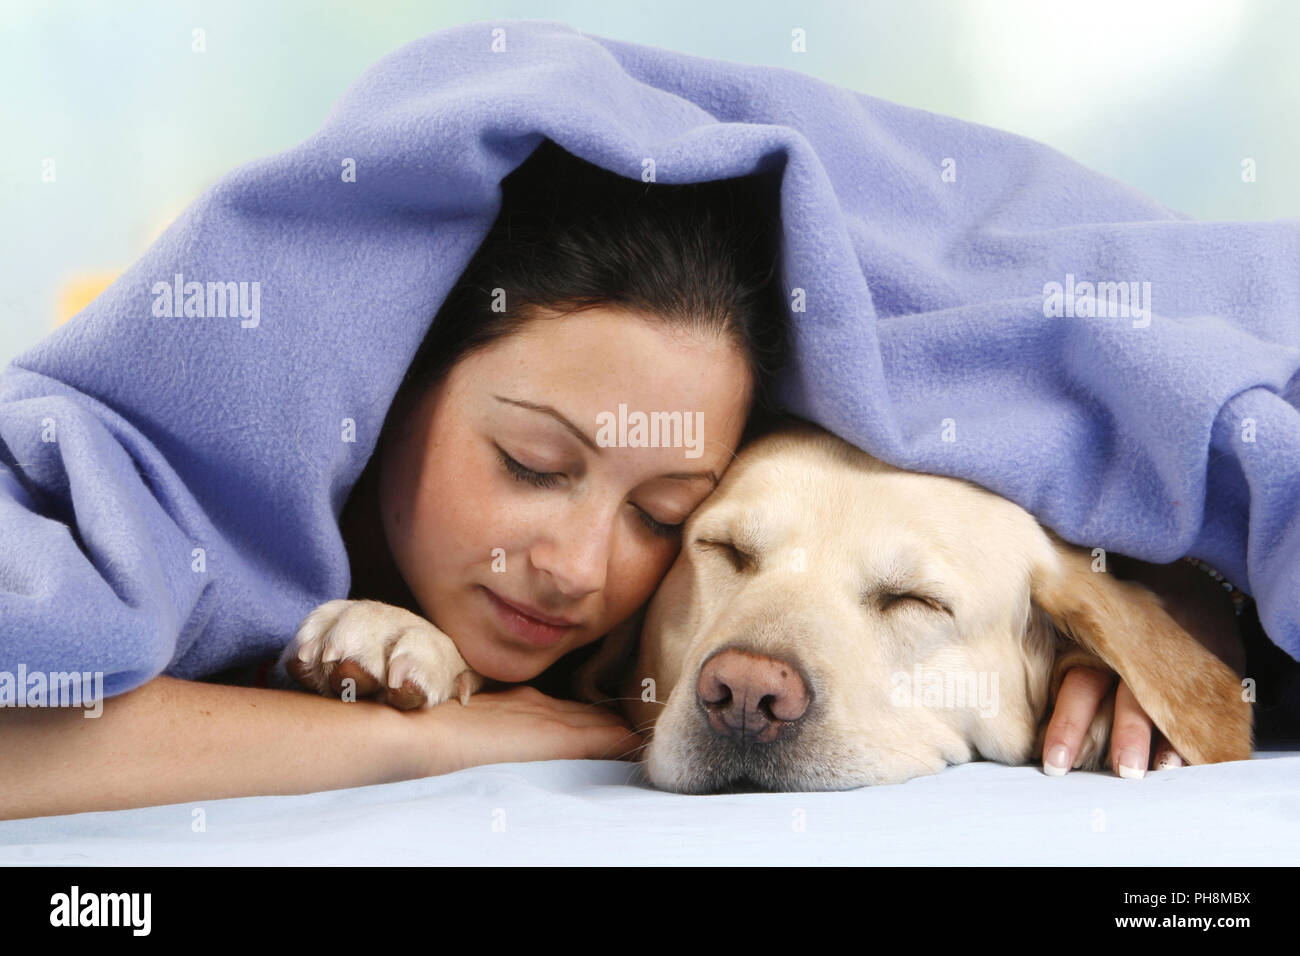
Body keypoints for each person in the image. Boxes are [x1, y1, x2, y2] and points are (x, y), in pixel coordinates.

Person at [0, 141, 1240, 820]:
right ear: (396, 378)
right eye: (533, 463)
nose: (582, 569)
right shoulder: (194, 470)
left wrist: (1174, 612)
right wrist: (436, 741)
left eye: (664, 515)